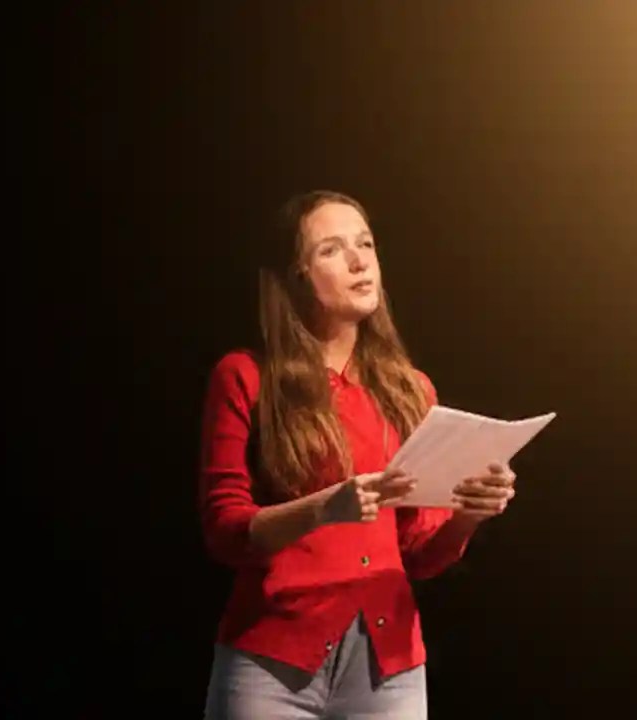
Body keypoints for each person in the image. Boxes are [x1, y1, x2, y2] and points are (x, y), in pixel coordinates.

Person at [199, 190, 517, 719]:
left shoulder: (411, 390)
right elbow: (225, 531)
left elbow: (420, 553)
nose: (358, 259)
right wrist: (326, 507)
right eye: (331, 249)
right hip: (274, 660)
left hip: (387, 666)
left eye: (365, 243)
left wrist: (470, 514)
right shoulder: (246, 376)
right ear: (297, 273)